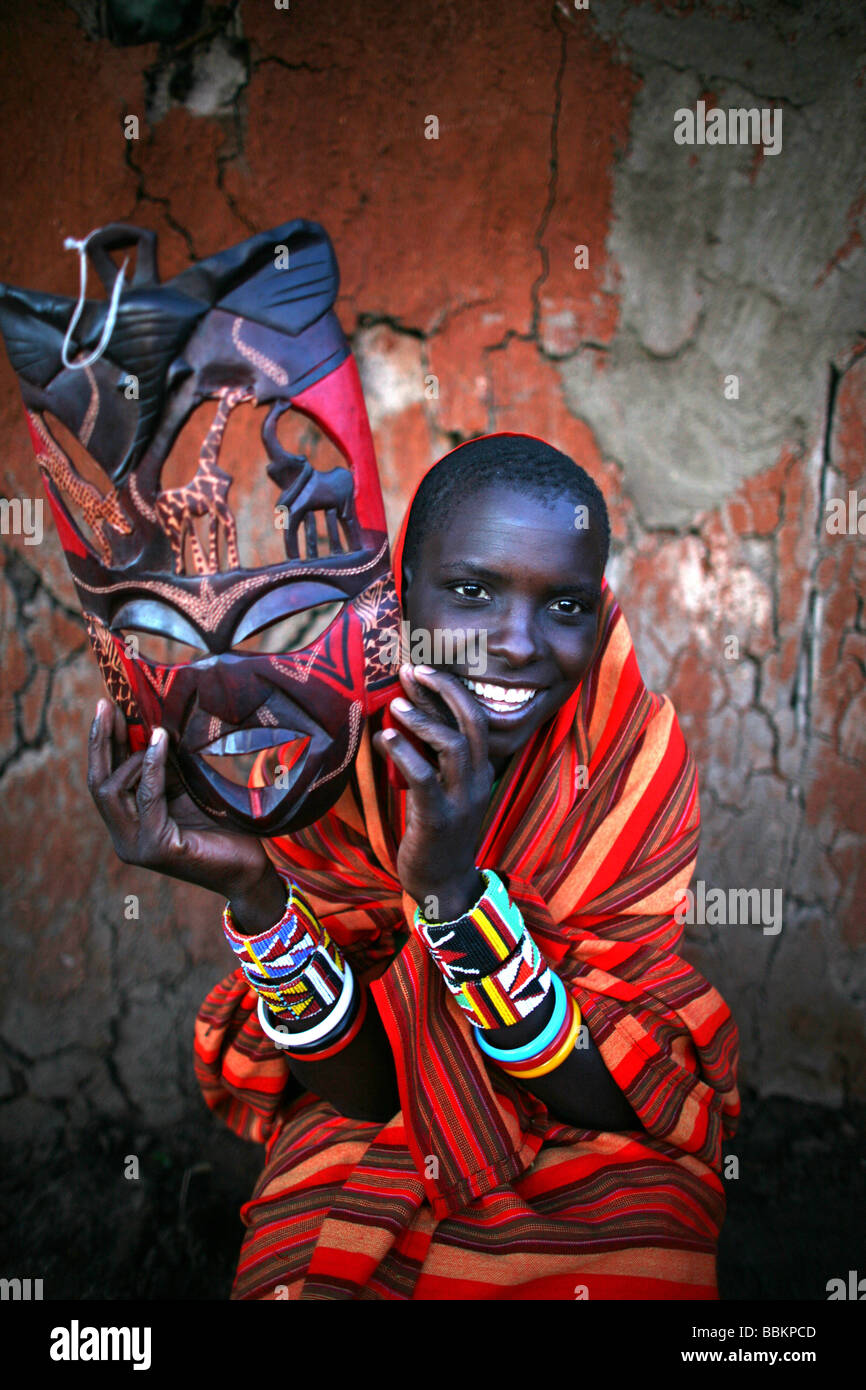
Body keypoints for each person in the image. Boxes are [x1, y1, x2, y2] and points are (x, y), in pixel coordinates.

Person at [88, 433, 740, 1300]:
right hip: (375, 1121)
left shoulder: (631, 754)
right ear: (398, 602)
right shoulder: (329, 761)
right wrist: (253, 892)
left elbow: (618, 1096)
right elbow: (360, 1091)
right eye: (472, 591)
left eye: (566, 606)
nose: (515, 644)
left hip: (585, 1123)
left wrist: (448, 892)